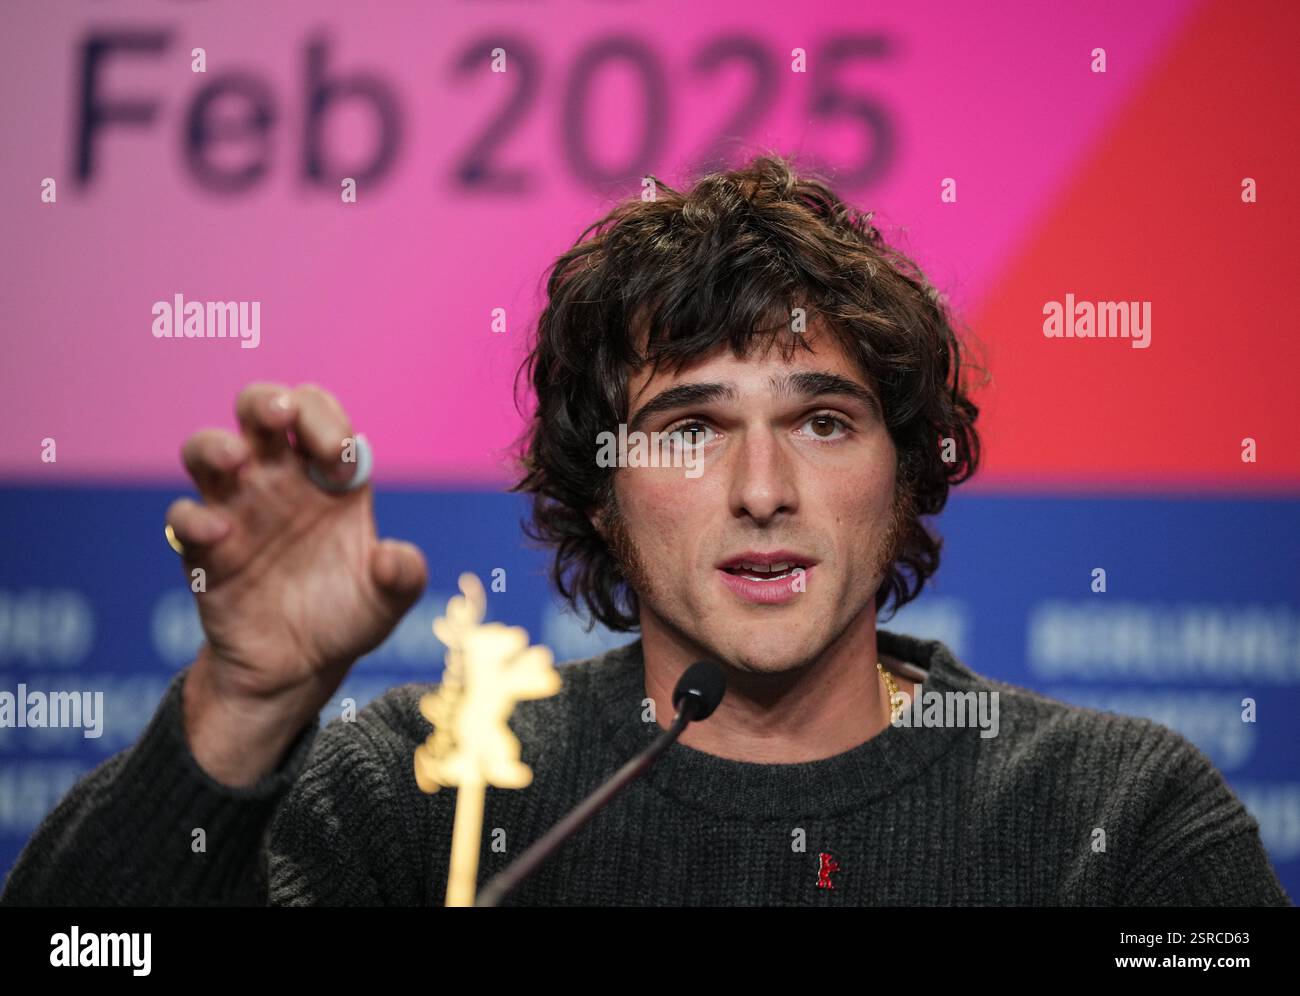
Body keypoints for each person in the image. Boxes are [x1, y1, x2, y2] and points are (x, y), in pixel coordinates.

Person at [1, 155, 1289, 906]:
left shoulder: (1119, 822)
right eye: (689, 427)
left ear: (903, 480)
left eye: (826, 421)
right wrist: (238, 708)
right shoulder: (432, 794)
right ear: (600, 490)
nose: (764, 487)